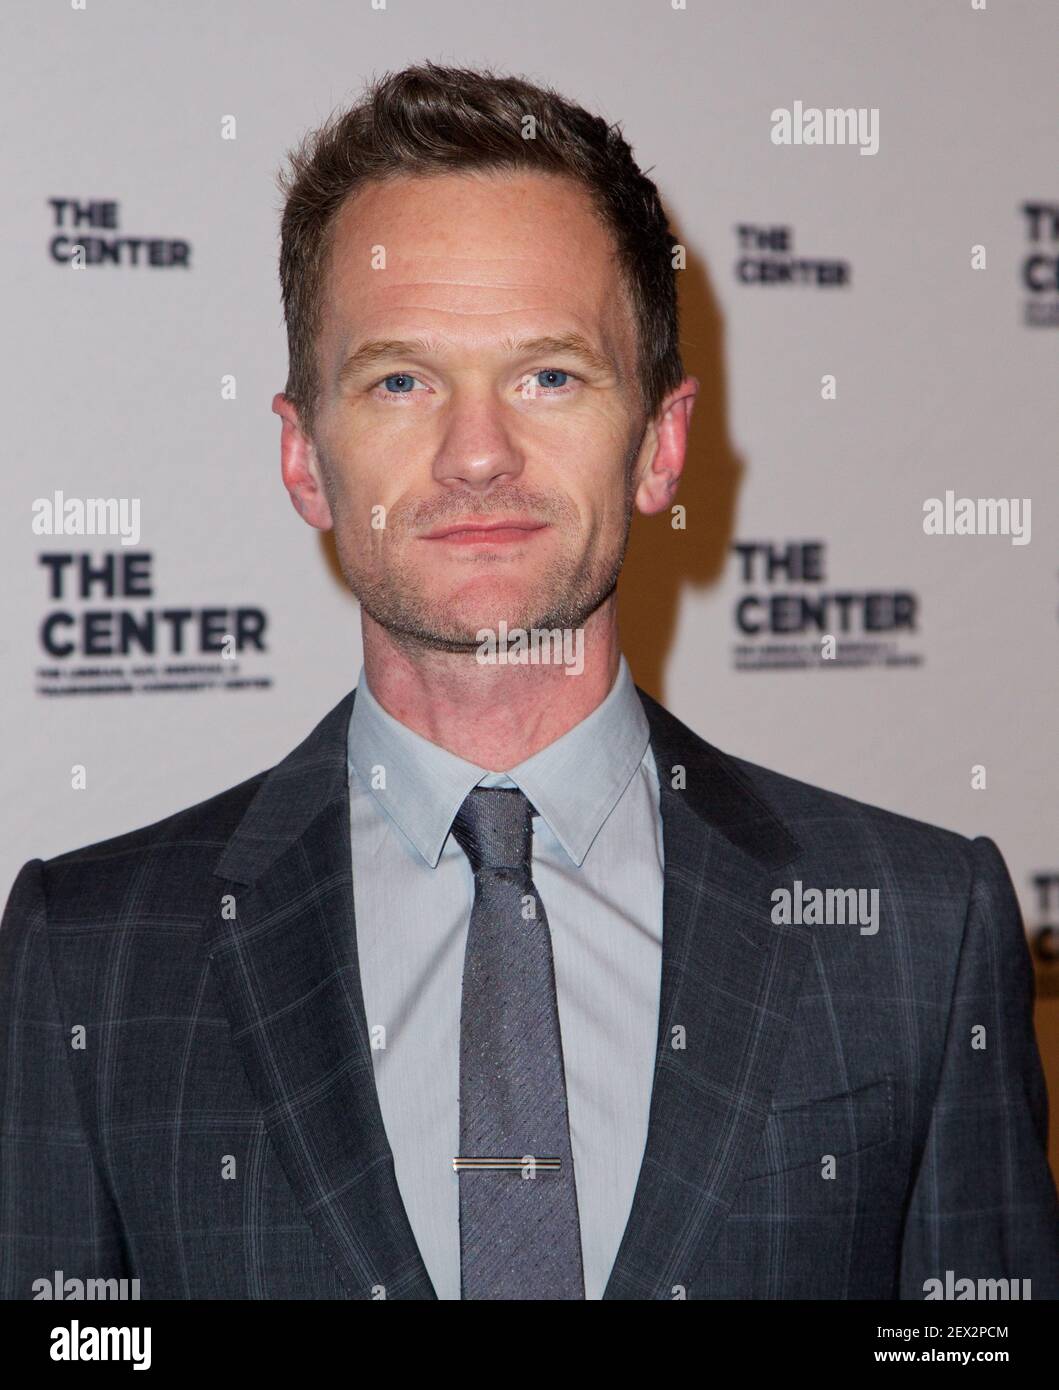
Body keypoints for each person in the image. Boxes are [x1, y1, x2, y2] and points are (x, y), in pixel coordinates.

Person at [2, 62, 1056, 1301]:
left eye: (549, 374)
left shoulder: (917, 934)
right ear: (304, 458)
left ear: (661, 445)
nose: (478, 452)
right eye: (401, 380)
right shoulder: (94, 959)